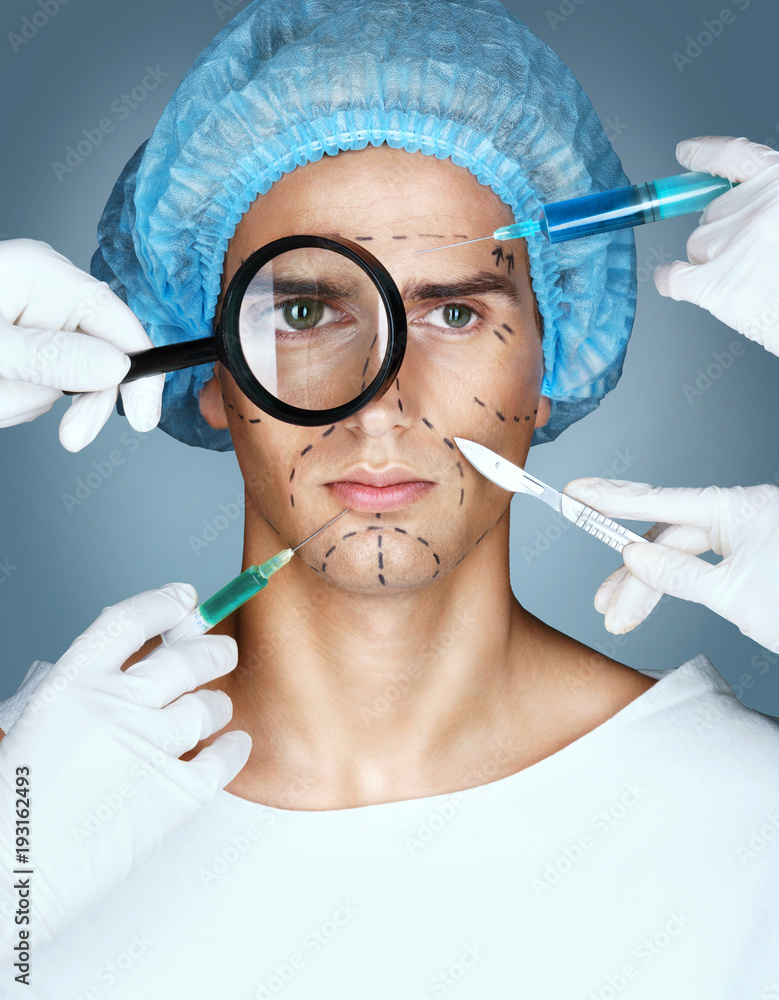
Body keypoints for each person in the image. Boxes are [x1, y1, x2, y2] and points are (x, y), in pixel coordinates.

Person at [0, 2, 778, 997]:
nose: (381, 402)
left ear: (551, 360)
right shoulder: (35, 803)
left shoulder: (749, 820)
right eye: (303, 311)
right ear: (207, 371)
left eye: (453, 312)